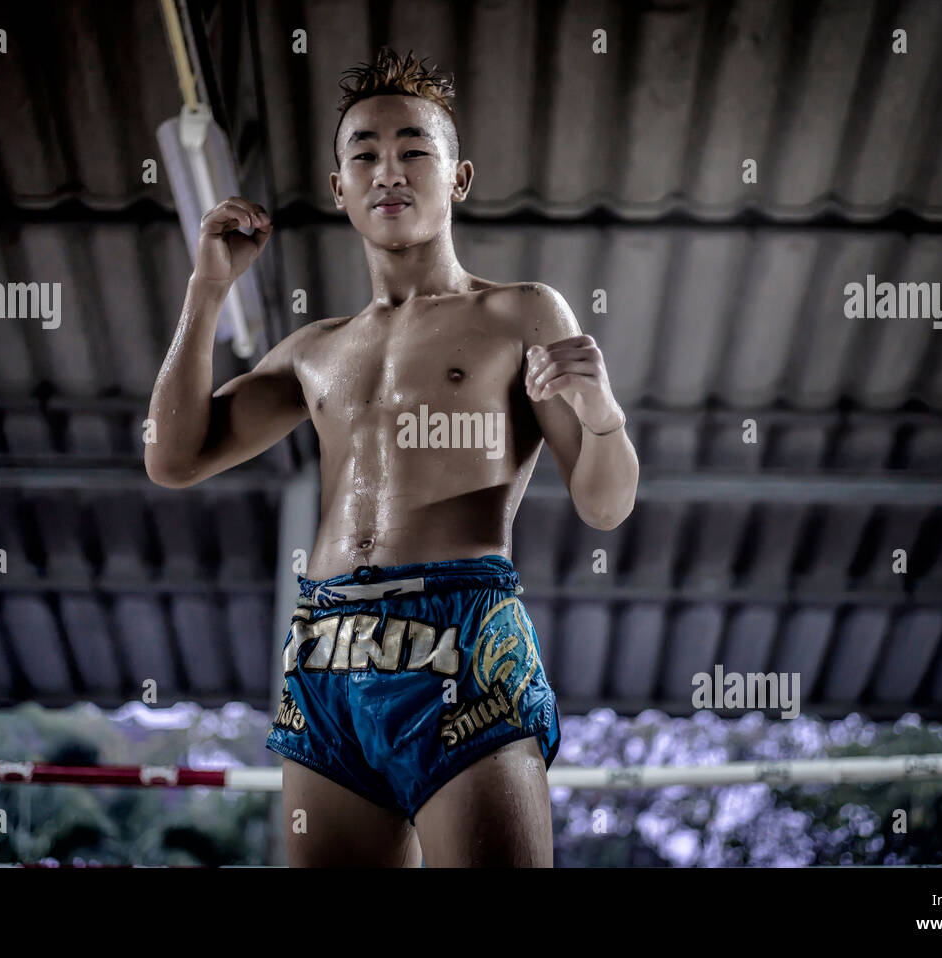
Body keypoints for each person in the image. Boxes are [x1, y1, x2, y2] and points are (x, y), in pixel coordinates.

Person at [145, 47, 638, 866]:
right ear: (340, 188)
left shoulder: (520, 311)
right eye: (364, 155)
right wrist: (206, 292)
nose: (389, 171)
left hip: (461, 635)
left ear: (460, 177)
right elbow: (172, 455)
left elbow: (605, 503)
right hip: (325, 653)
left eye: (414, 149)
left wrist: (604, 416)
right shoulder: (314, 350)